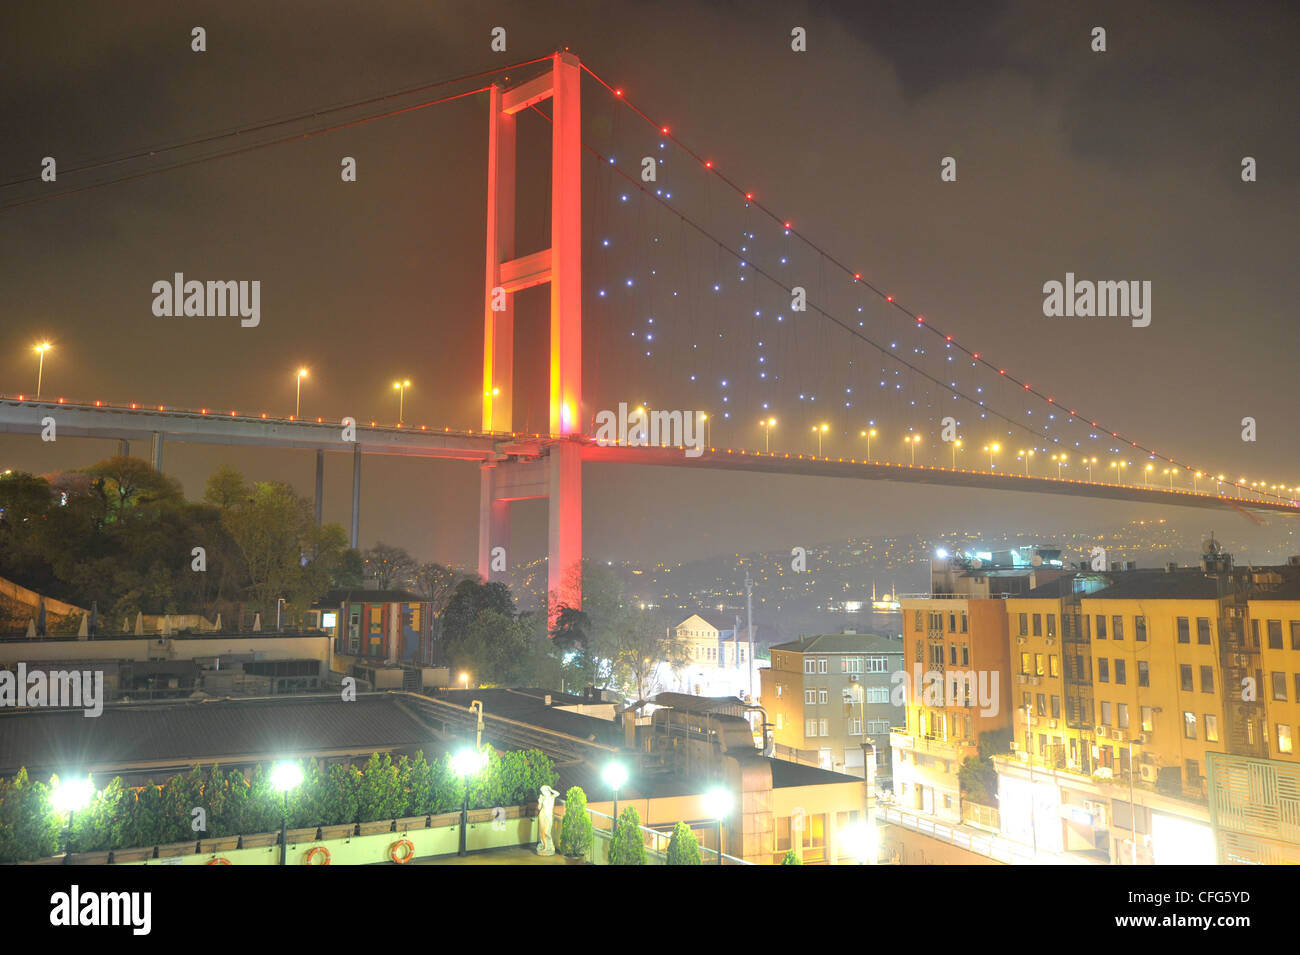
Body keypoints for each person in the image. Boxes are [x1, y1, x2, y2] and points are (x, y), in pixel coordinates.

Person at [536, 785, 559, 855]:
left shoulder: (552, 797)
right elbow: (539, 808)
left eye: (544, 790)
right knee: (542, 831)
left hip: (548, 815)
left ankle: (549, 846)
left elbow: (558, 793)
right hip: (542, 814)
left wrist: (551, 789)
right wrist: (540, 802)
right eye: (542, 791)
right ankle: (545, 846)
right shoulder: (542, 797)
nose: (543, 792)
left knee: (547, 831)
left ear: (547, 790)